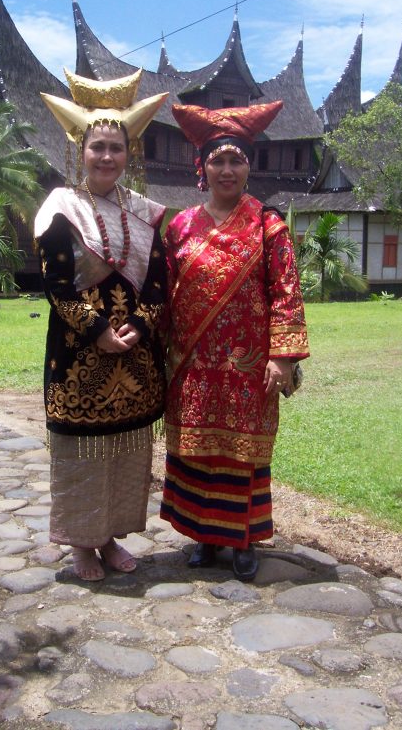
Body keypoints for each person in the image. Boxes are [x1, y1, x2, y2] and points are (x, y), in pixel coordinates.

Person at [161, 101, 309, 581]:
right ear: (201, 168)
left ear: (248, 168)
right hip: (193, 363)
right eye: (217, 160)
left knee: (242, 452)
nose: (226, 170)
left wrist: (283, 358)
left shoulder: (268, 225)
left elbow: (286, 291)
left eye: (235, 161)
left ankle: (243, 538)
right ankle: (203, 535)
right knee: (198, 450)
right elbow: (164, 291)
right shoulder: (181, 226)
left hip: (248, 366)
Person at [34, 68, 169, 581]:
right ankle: (82, 543)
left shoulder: (145, 212)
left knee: (123, 450)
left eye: (116, 147)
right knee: (82, 453)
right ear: (81, 149)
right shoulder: (61, 208)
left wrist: (138, 326)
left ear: (129, 153)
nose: (107, 156)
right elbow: (57, 284)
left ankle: (109, 537)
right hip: (78, 354)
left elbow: (158, 281)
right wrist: (98, 332)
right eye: (98, 147)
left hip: (134, 354)